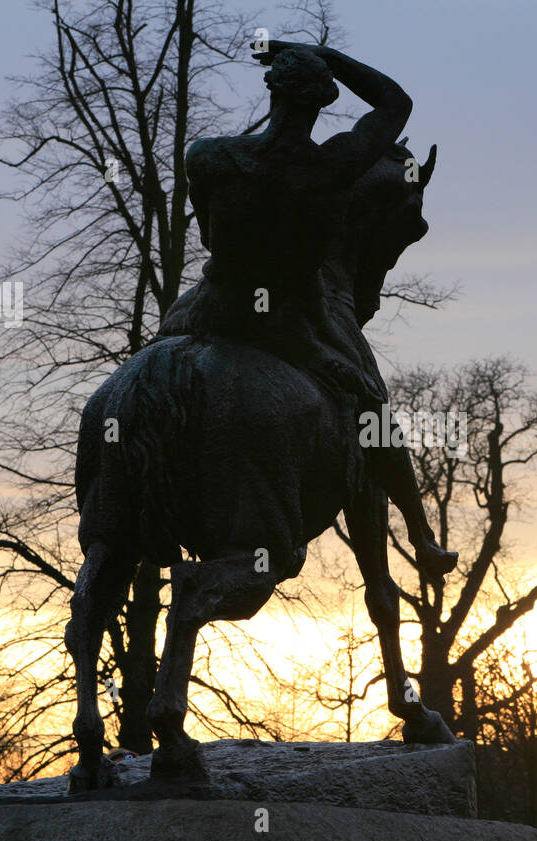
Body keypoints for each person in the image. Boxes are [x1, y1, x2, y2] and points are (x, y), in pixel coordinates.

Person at [162, 42, 456, 577]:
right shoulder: (333, 167)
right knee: (370, 402)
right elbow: (395, 103)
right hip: (286, 322)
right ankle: (422, 537)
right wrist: (325, 53)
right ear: (323, 102)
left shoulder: (207, 156)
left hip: (205, 309)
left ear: (271, 90)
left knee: (161, 353)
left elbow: (208, 236)